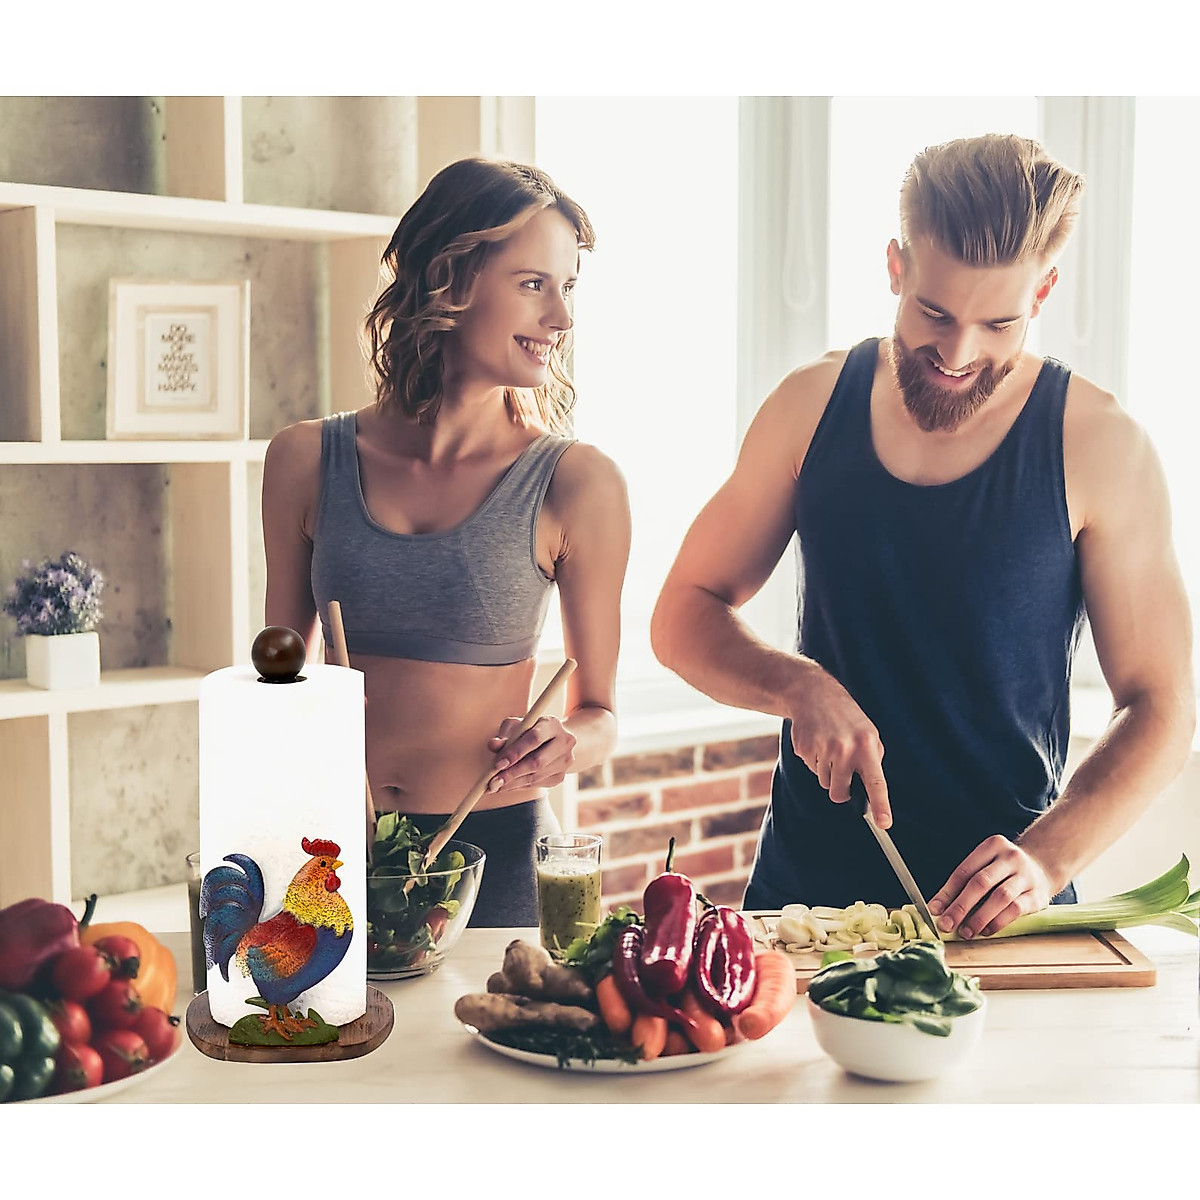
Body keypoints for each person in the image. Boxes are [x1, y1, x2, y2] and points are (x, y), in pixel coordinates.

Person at [651, 134, 1195, 939]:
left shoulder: (1101, 444)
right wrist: (796, 685)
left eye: (997, 323)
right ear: (896, 267)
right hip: (802, 909)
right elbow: (682, 615)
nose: (958, 353)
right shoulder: (808, 406)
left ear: (1041, 294)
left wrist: (1047, 859)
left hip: (998, 921)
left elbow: (1163, 706)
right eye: (934, 313)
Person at [262, 158, 631, 927]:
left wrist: (567, 743)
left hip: (493, 856)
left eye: (568, 289)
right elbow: (278, 670)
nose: (561, 318)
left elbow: (599, 712)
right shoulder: (303, 459)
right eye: (535, 284)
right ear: (449, 279)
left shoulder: (576, 484)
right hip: (327, 851)